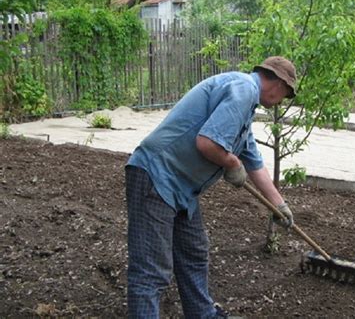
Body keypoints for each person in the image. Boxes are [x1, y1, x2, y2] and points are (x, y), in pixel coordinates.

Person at [125, 56, 297, 318]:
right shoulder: (243, 89)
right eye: (286, 94)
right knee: (151, 271)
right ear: (278, 83)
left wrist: (279, 204)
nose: (283, 100)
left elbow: (254, 162)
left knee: (194, 252)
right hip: (157, 175)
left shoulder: (245, 109)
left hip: (182, 187)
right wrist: (230, 162)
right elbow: (207, 143)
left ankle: (203, 315)